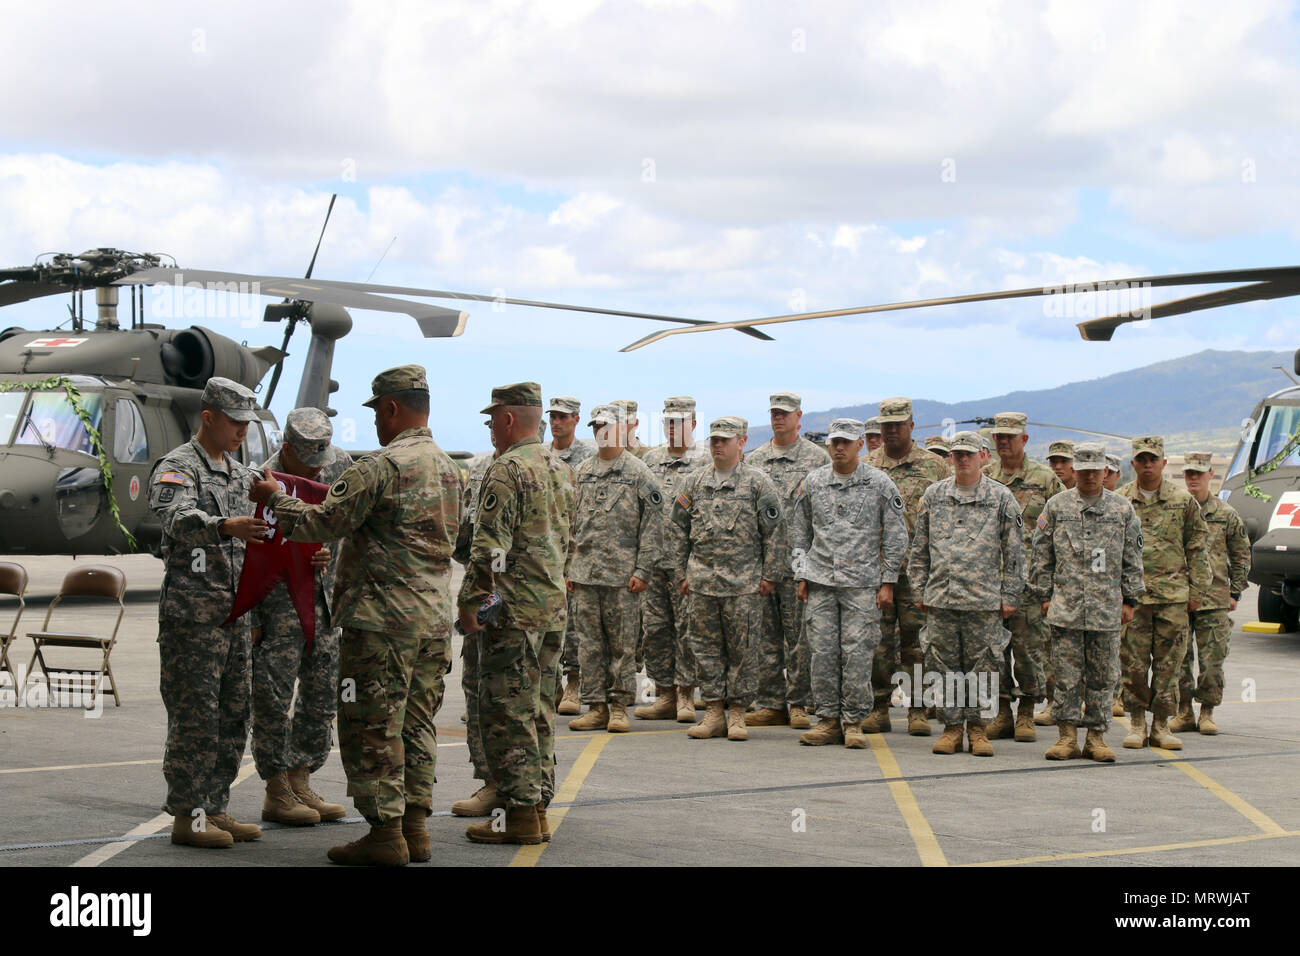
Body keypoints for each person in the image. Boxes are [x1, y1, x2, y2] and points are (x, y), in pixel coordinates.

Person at [251, 365, 462, 866]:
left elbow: (322, 523)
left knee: (373, 726)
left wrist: (274, 499)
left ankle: (385, 836)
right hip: (432, 622)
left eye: (376, 413)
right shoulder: (452, 468)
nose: (374, 425)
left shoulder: (380, 466)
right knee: (416, 724)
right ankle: (416, 828)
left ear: (391, 408)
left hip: (381, 623)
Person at [152, 376, 268, 849]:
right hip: (193, 619)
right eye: (235, 422)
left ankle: (215, 808)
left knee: (232, 716)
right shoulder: (179, 466)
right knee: (195, 717)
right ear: (208, 418)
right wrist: (223, 525)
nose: (243, 431)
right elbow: (175, 519)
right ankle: (188, 816)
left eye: (248, 423)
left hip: (235, 619)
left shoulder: (242, 475)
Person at [458, 382, 573, 845]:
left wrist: (470, 602)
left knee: (507, 713)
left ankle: (521, 814)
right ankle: (537, 804)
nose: (489, 427)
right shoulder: (559, 467)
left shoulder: (506, 470)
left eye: (492, 419)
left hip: (512, 616)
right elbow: (568, 539)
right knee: (540, 710)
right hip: (551, 612)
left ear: (508, 419)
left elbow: (489, 551)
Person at [251, 407, 352, 827]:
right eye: (306, 459)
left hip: (326, 602)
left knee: (321, 694)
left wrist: (330, 549)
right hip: (279, 606)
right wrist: (254, 618)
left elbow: (345, 521)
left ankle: (302, 778)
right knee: (273, 697)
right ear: (286, 448)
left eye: (320, 459)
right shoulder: (260, 482)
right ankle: (277, 787)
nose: (316, 468)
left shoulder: (341, 465)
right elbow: (249, 551)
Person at [791, 419, 908, 747]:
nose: (839, 448)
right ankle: (828, 719)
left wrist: (888, 581)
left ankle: (854, 721)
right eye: (834, 443)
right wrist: (801, 574)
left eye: (846, 442)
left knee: (857, 653)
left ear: (860, 445)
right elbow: (799, 529)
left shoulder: (879, 483)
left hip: (861, 585)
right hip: (821, 582)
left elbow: (897, 533)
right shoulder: (813, 482)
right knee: (823, 652)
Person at [909, 431, 1025, 757]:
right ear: (949, 458)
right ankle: (950, 728)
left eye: (968, 454)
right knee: (942, 664)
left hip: (983, 599)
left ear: (983, 457)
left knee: (984, 665)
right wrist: (919, 588)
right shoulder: (934, 496)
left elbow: (1015, 551)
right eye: (957, 454)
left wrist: (1011, 594)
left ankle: (977, 729)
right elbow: (919, 548)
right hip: (941, 598)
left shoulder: (1001, 498)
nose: (962, 459)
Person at [1028, 443, 1145, 762]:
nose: (1090, 475)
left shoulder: (1122, 509)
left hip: (1106, 609)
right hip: (1065, 607)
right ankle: (1067, 737)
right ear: (1075, 471)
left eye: (1096, 470)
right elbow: (1041, 553)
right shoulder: (1056, 506)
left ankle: (1096, 737)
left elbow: (1132, 557)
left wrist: (1130, 598)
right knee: (1065, 675)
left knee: (1103, 676)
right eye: (1084, 470)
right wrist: (1043, 595)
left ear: (1106, 471)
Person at [671, 416, 784, 741]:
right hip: (702, 584)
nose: (717, 444)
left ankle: (737, 713)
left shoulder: (757, 483)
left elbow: (775, 533)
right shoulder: (694, 483)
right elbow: (676, 529)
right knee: (705, 650)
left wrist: (769, 576)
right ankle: (714, 712)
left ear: (742, 442)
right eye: (714, 439)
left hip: (744, 585)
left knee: (743, 651)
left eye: (725, 439)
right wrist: (682, 573)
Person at [566, 405, 664, 733]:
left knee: (623, 645)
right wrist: (568, 567)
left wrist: (643, 570)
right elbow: (569, 523)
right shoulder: (581, 471)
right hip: (585, 575)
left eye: (608, 427)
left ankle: (619, 706)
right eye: (597, 427)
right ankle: (595, 705)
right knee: (589, 644)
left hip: (624, 578)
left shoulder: (639, 473)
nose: (601, 432)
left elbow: (654, 525)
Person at [865, 397, 951, 735]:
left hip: (918, 572)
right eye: (886, 425)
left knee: (917, 644)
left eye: (898, 424)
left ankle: (918, 707)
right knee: (877, 642)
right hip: (875, 571)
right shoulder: (867, 466)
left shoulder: (935, 468)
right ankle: (879, 706)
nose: (891, 431)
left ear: (912, 426)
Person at [1117, 436, 1211, 750]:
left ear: (1163, 463)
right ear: (1133, 463)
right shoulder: (1119, 502)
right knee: (1133, 664)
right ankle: (1136, 723)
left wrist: (1197, 592)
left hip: (1173, 598)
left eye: (1152, 459)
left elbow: (1197, 548)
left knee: (1169, 665)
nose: (1147, 465)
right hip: (1135, 600)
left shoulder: (1183, 501)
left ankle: (1161, 725)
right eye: (1141, 460)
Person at [745, 392, 830, 730]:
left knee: (799, 638)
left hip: (800, 562)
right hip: (765, 561)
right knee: (765, 637)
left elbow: (823, 513)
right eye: (774, 413)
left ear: (799, 417)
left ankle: (798, 702)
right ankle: (770, 702)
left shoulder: (817, 458)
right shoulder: (756, 459)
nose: (778, 418)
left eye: (785, 413)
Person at [983, 412, 1064, 741]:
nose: (1003, 442)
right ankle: (1002, 712)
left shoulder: (1045, 480)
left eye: (1009, 437)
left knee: (1028, 652)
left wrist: (1053, 588)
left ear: (1024, 440)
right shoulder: (985, 476)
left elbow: (1063, 532)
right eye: (998, 437)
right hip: (989, 582)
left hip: (1031, 585)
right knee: (993, 652)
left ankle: (1027, 712)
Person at [636, 396, 708, 722]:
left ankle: (686, 696)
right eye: (668, 422)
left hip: (687, 564)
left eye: (680, 422)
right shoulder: (649, 461)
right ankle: (664, 692)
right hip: (653, 562)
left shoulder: (706, 461)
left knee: (687, 630)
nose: (674, 427)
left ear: (693, 424)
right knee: (655, 631)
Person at [1171, 452, 1250, 735]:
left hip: (1215, 599)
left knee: (1212, 662)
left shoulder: (1226, 514)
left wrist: (1236, 592)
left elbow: (1241, 554)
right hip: (1179, 596)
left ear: (1210, 475)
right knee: (1179, 660)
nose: (1193, 478)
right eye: (1189, 473)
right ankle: (1183, 712)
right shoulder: (1176, 510)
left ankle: (1206, 712)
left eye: (1199, 473)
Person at [451, 448, 506, 818]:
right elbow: (467, 537)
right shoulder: (482, 466)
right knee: (476, 691)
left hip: (519, 604)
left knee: (518, 699)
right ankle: (491, 782)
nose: (491, 427)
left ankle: (521, 791)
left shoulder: (551, 470)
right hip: (486, 599)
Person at [548, 396, 594, 716]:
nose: (556, 422)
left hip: (576, 549)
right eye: (552, 416)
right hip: (545, 549)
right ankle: (551, 685)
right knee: (547, 620)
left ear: (576, 420)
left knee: (574, 622)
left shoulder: (587, 458)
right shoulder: (541, 455)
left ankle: (575, 682)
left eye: (563, 417)